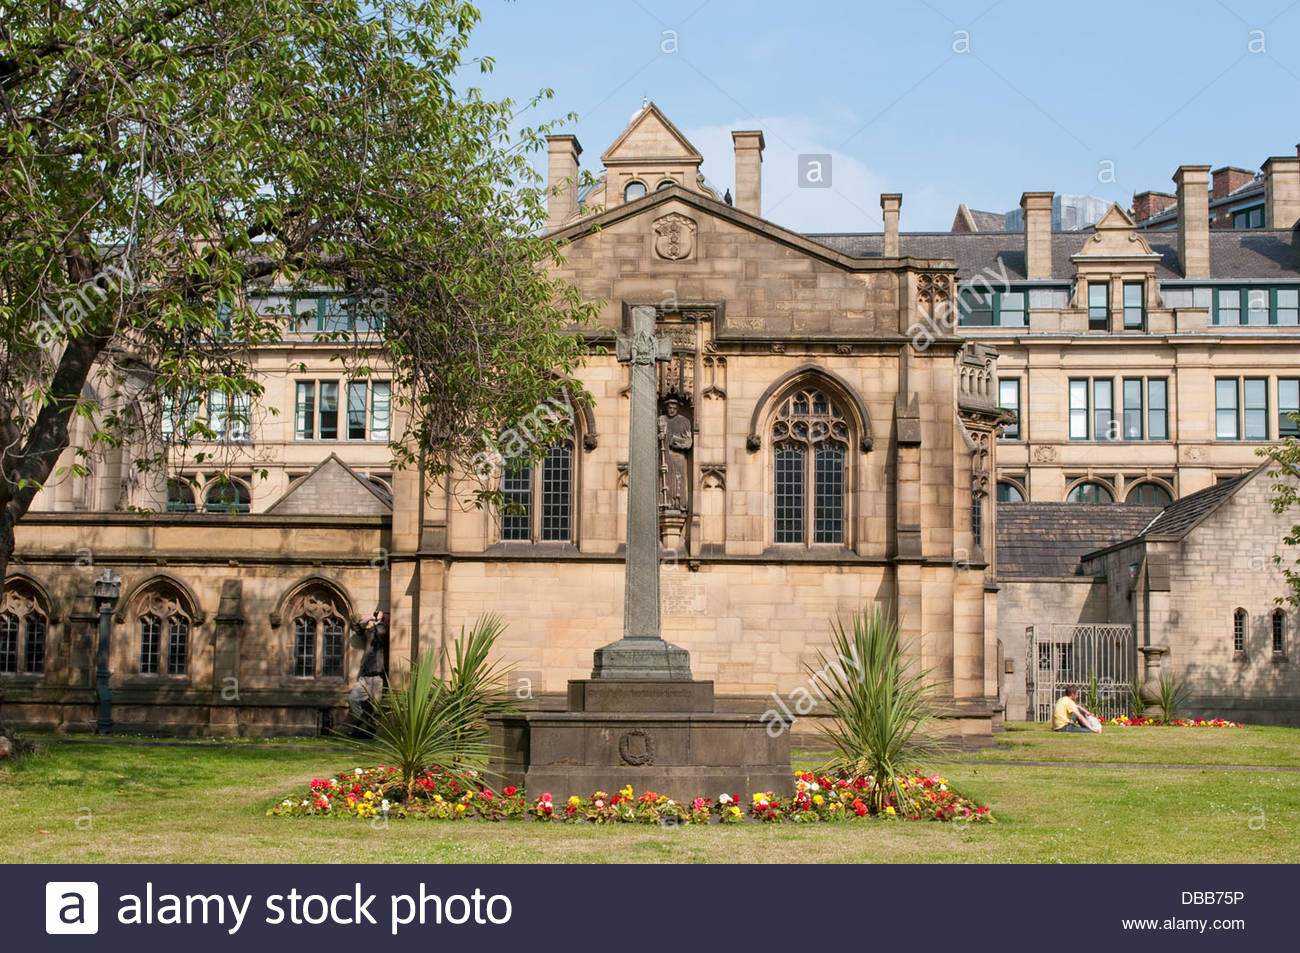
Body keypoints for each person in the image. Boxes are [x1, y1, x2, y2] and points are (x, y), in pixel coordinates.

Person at [348, 610, 389, 737]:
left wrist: (379, 621)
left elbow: (381, 633)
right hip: (365, 676)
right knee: (353, 699)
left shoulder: (383, 632)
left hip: (377, 677)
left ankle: (372, 732)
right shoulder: (371, 632)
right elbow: (356, 627)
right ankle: (365, 724)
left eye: (379, 615)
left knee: (377, 708)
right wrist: (369, 618)